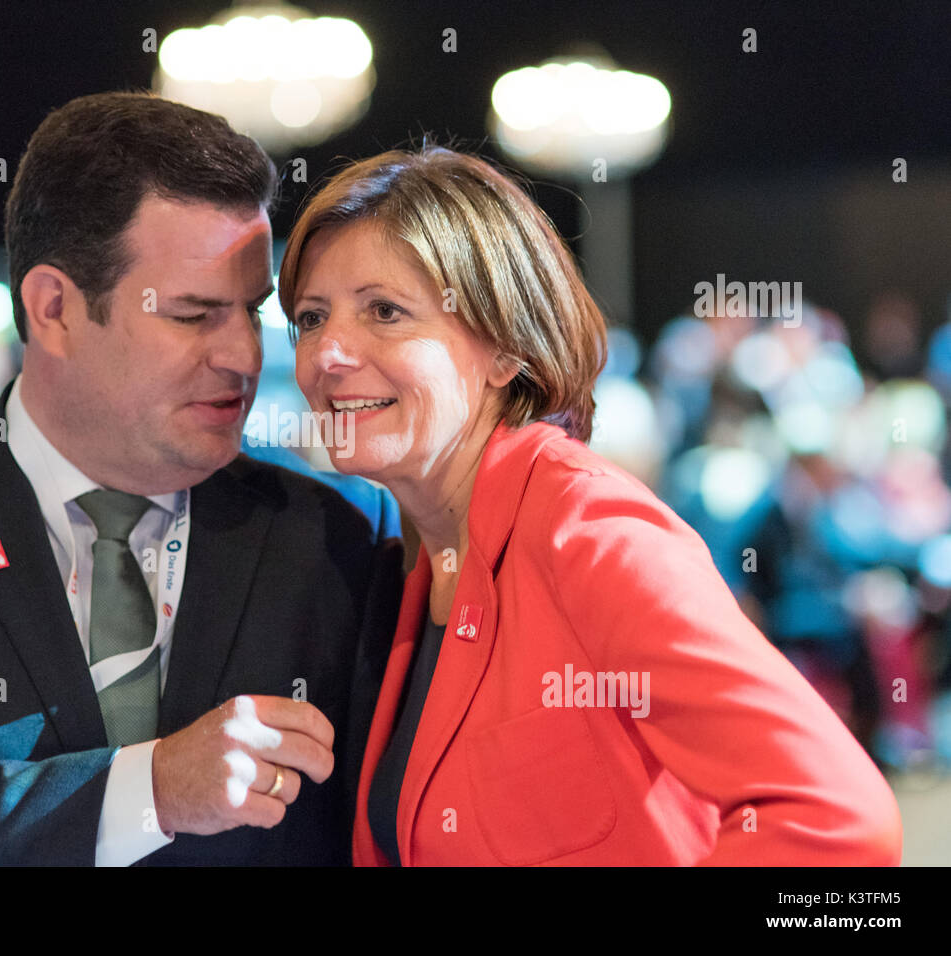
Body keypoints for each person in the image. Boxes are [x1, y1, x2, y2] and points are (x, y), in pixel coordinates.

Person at [0, 92, 403, 866]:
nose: (242, 354)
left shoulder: (343, 532)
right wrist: (152, 790)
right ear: (55, 309)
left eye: (253, 311)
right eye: (193, 313)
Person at [277, 145, 904, 865]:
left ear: (503, 348)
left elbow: (836, 820)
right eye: (312, 318)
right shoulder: (409, 567)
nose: (328, 354)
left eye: (384, 311)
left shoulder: (590, 532)